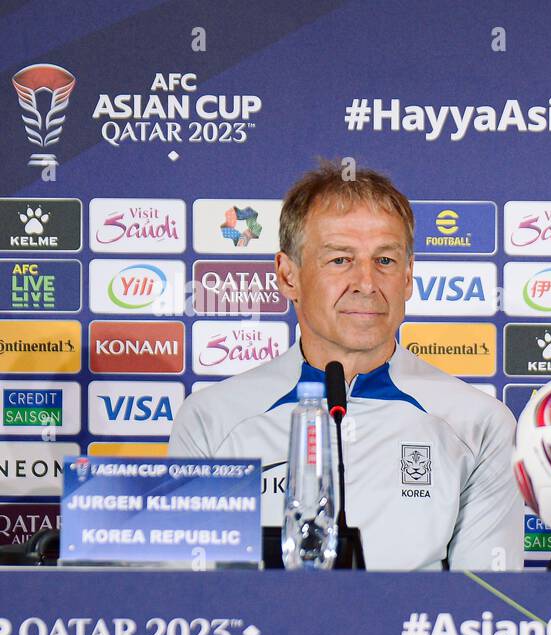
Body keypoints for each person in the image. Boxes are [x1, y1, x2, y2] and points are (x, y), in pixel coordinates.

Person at [169, 160, 523, 571]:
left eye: (385, 261)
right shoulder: (211, 420)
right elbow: (188, 598)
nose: (367, 283)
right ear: (288, 276)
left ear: (408, 277)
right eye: (340, 260)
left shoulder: (480, 424)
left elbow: (482, 606)